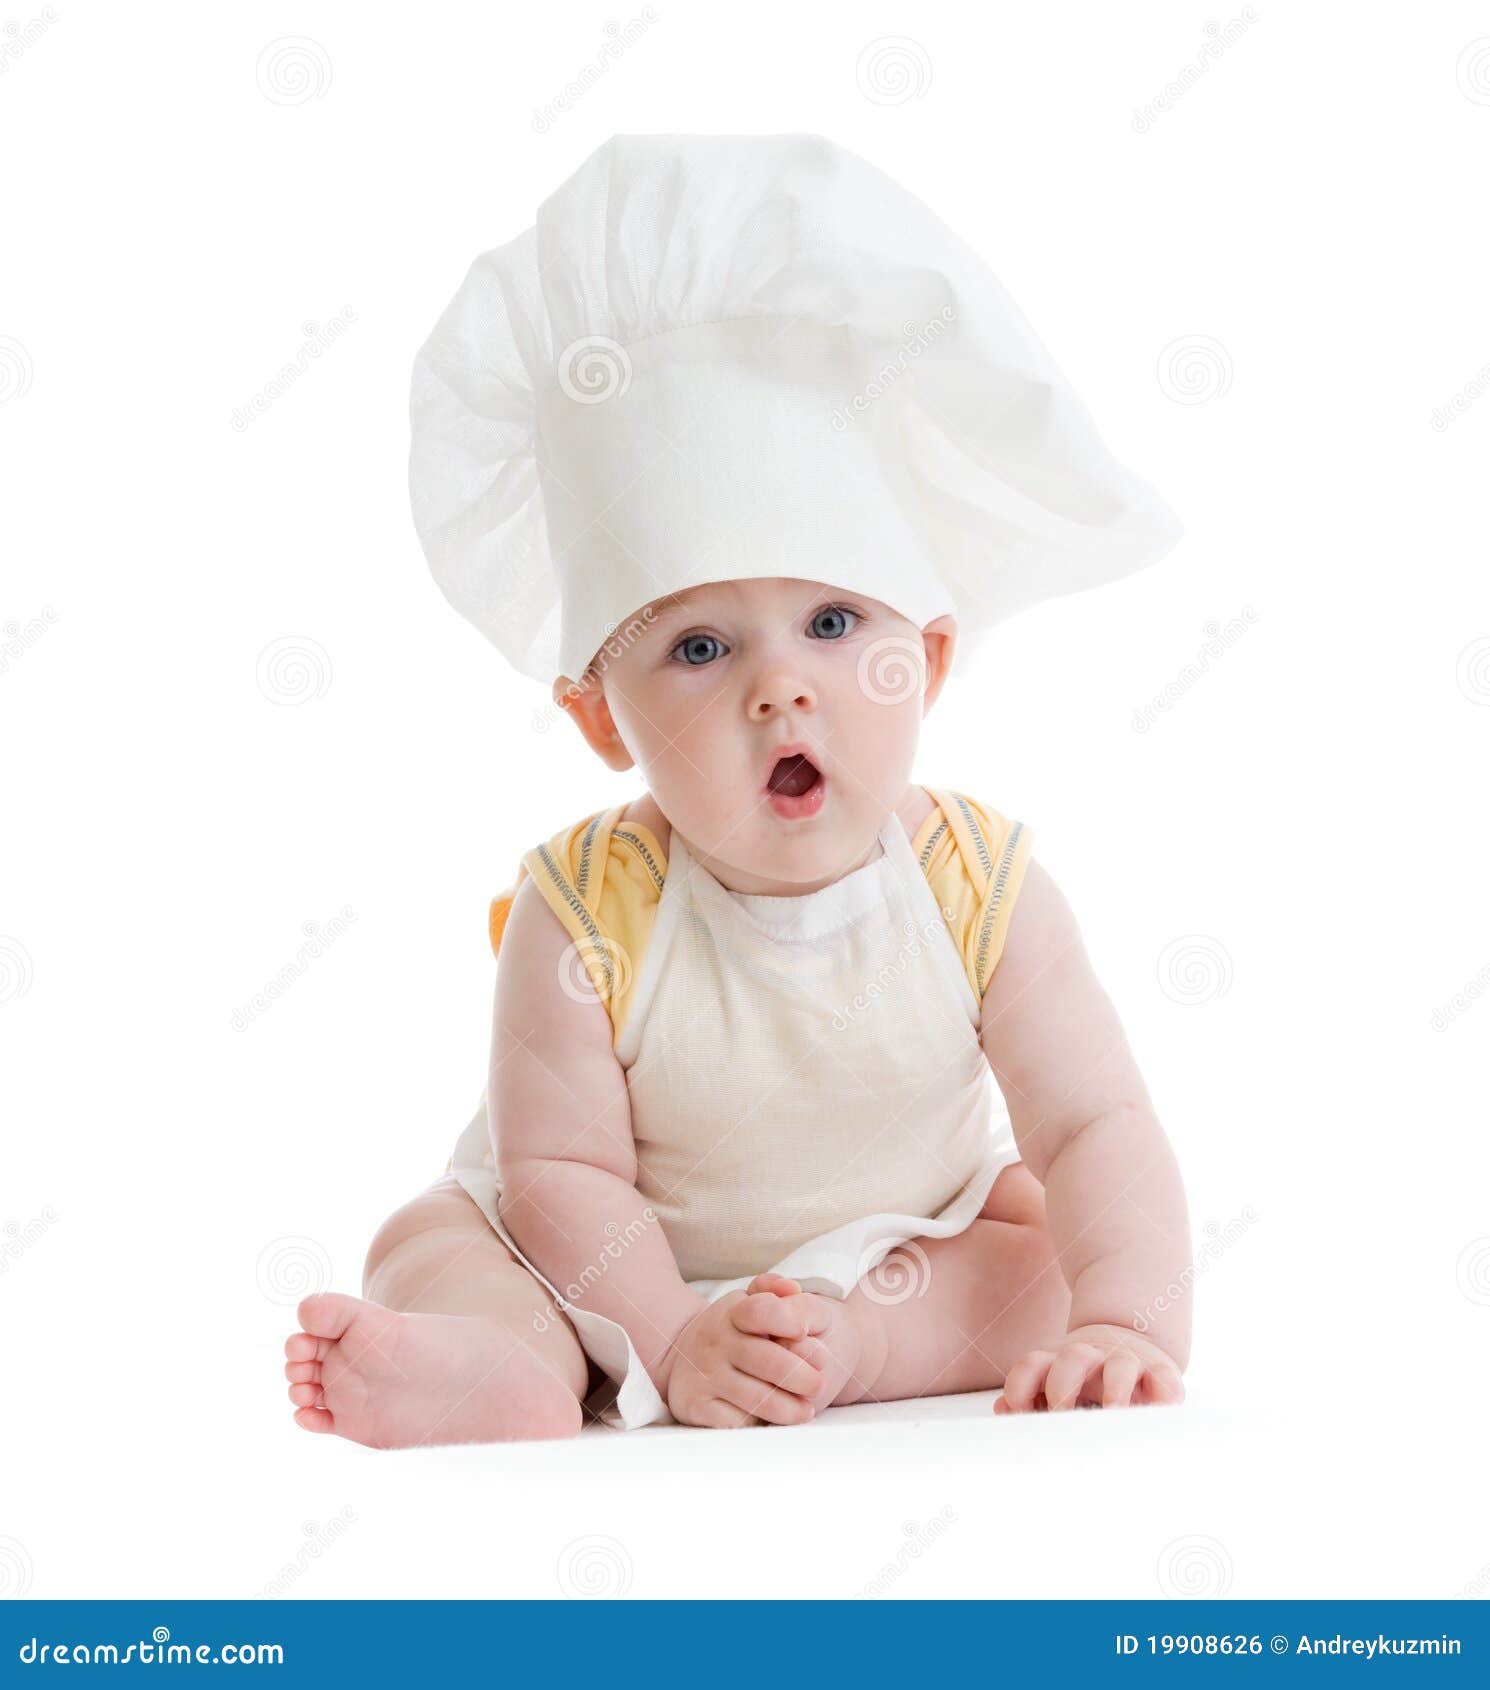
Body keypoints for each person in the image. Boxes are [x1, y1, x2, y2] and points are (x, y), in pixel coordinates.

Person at [283, 134, 1192, 1444]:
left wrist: (1128, 1318)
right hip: (600, 1263)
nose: (780, 687)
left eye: (831, 621)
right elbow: (560, 1170)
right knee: (429, 1237)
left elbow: (1096, 1118)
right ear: (601, 714)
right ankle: (515, 1366)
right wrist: (668, 1337)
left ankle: (860, 1345)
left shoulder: (981, 889)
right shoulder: (586, 908)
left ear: (927, 659)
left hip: (892, 1248)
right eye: (699, 647)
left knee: (1048, 1256)